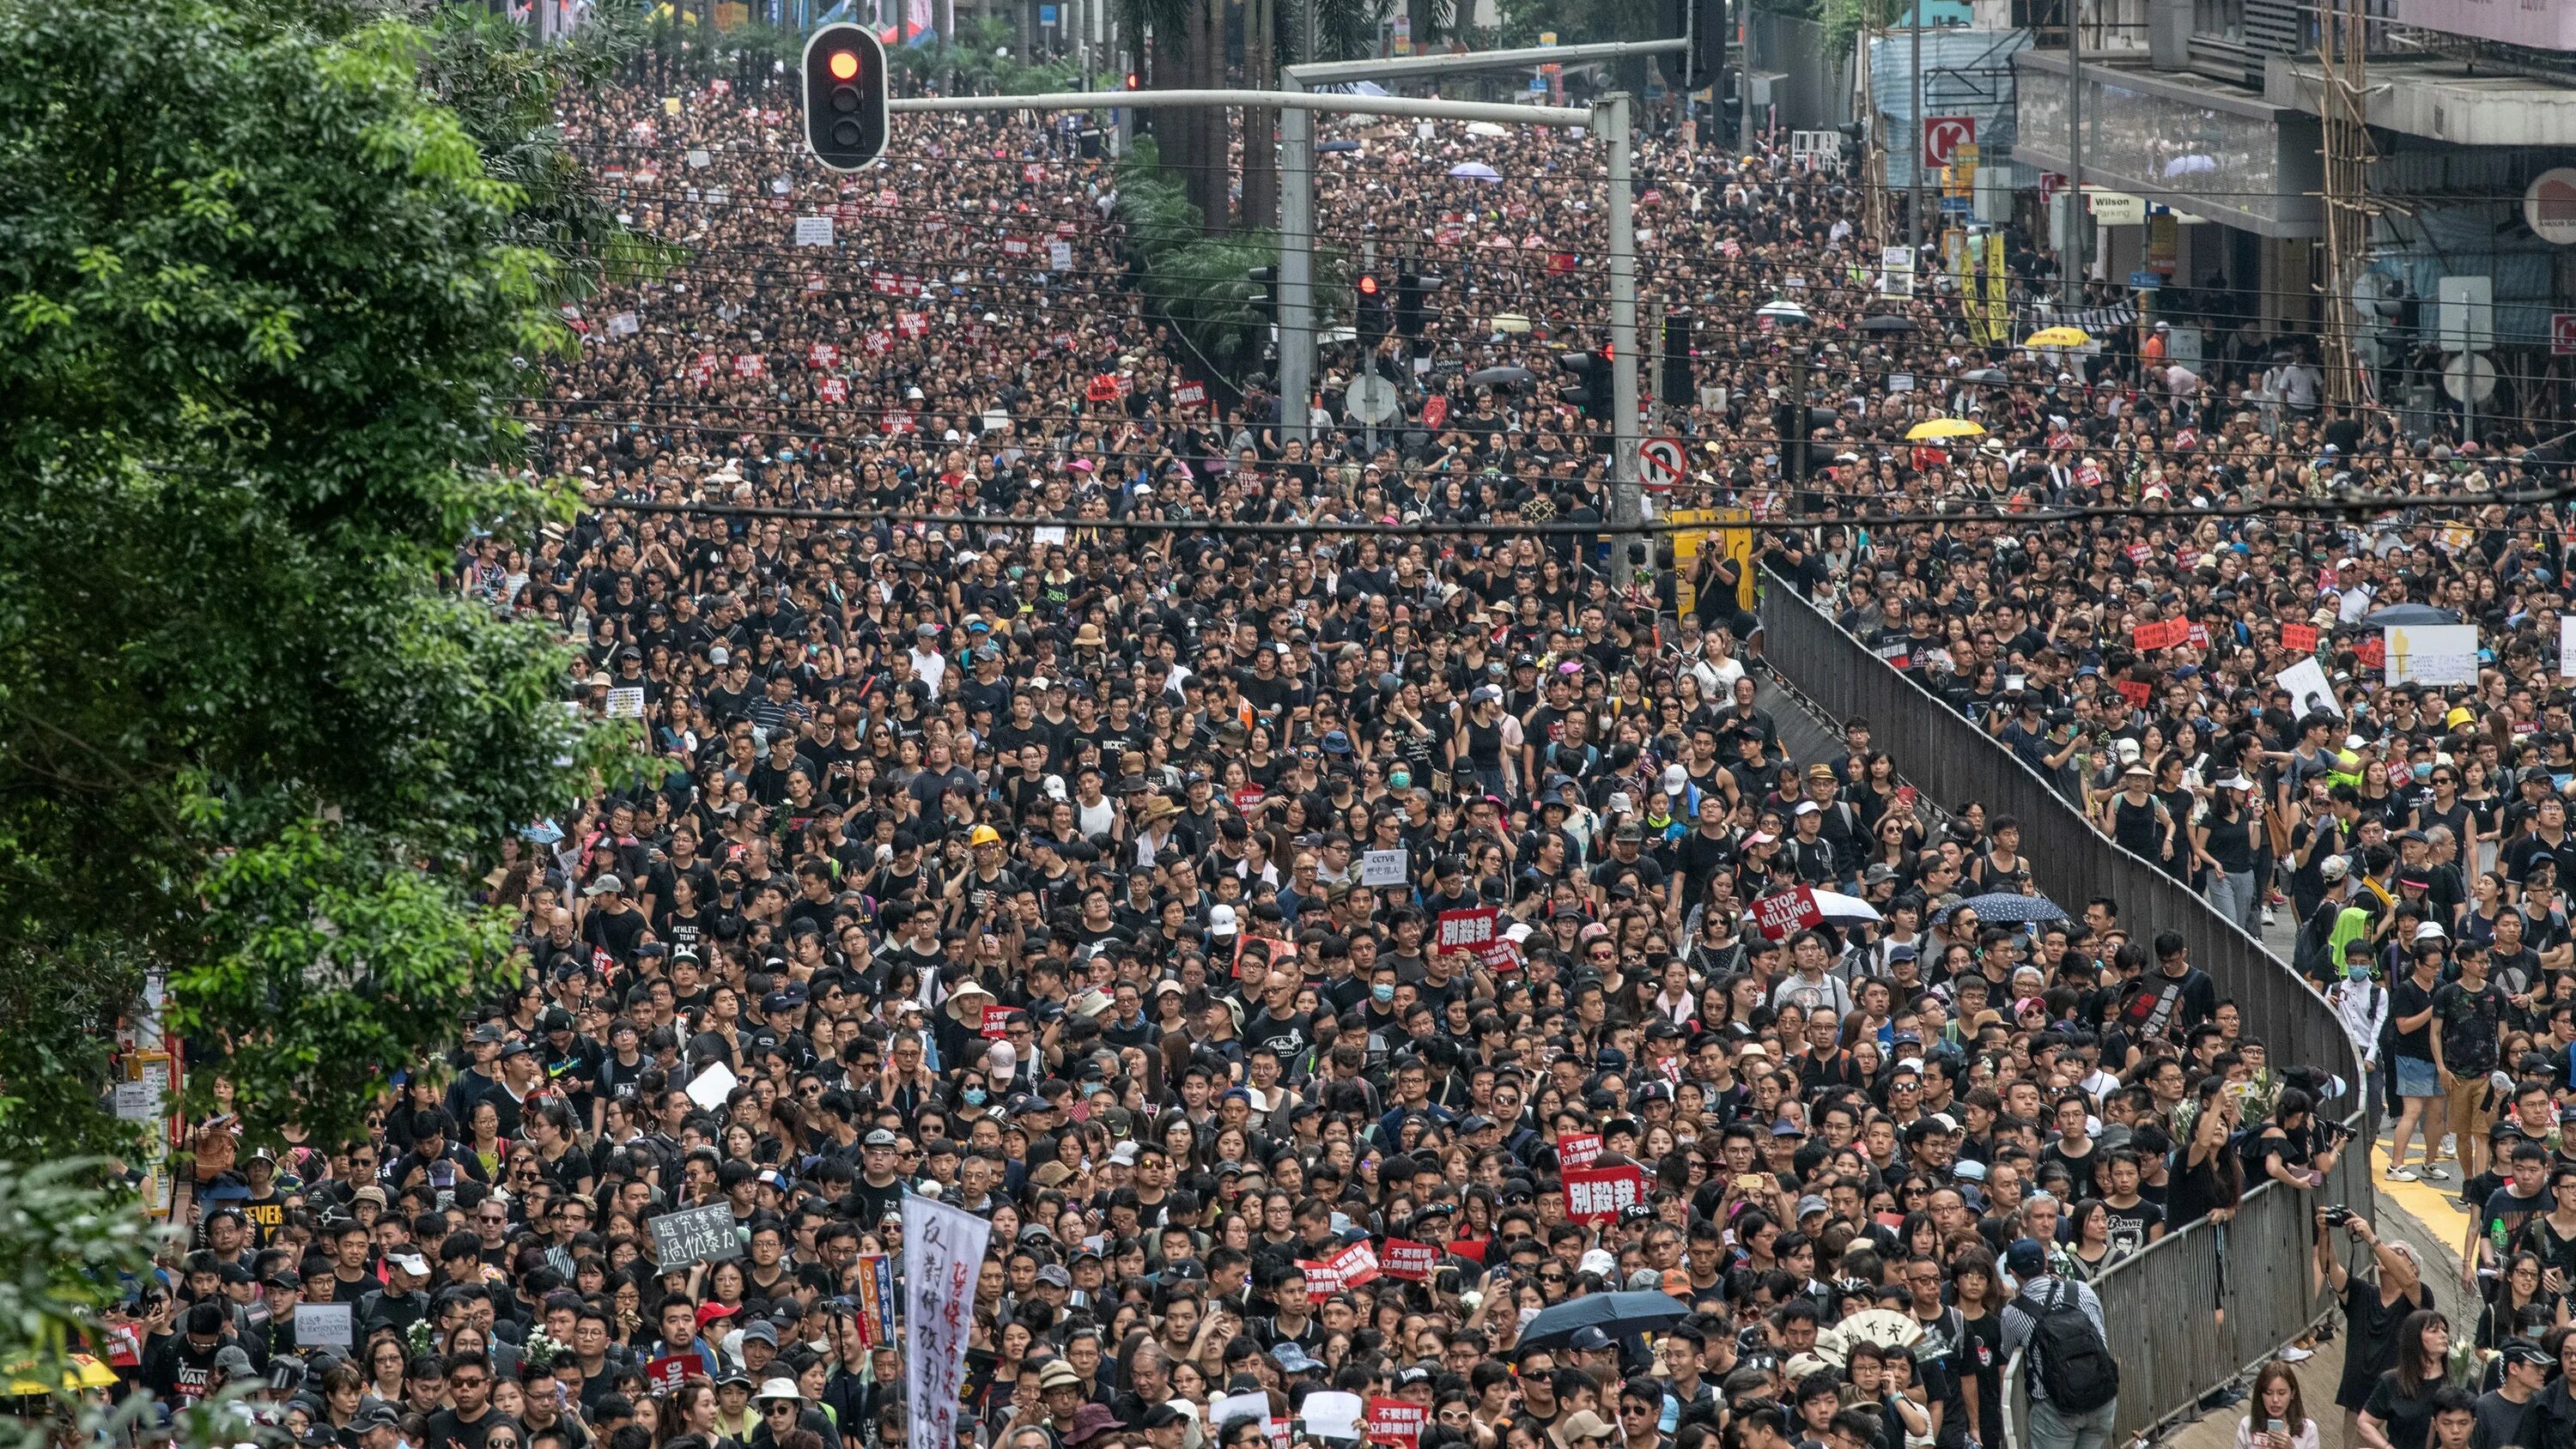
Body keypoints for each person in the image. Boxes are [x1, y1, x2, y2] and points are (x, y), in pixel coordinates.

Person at [2321, 1210, 2430, 1449]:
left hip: (2400, 1403)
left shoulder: (2418, 1299)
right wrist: (2324, 1231)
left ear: (2413, 1269)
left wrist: (2373, 1239)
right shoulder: (2361, 1293)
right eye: (2388, 1251)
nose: (2388, 1255)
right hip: (2358, 1403)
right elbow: (2331, 1269)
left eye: (2399, 1254)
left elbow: (2410, 1284)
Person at [1999, 1237, 2115, 1449]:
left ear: (2013, 1273)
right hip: (2102, 1399)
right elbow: (2100, 1331)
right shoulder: (2082, 1290)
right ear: (2045, 1263)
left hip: (2055, 1408)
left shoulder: (2013, 1313)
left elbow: (2007, 1352)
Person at [2359, 1310, 2455, 1449]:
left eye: (2445, 1330)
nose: (2443, 1335)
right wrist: (2386, 1447)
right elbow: (2365, 1423)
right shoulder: (2392, 1381)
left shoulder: (2457, 1381)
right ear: (2415, 1338)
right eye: (2434, 1331)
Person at [2236, 1360, 2319, 1449]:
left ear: (2292, 1393)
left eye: (2282, 1393)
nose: (2275, 1400)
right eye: (2268, 1393)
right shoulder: (2246, 1425)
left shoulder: (2308, 1429)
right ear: (2261, 1394)